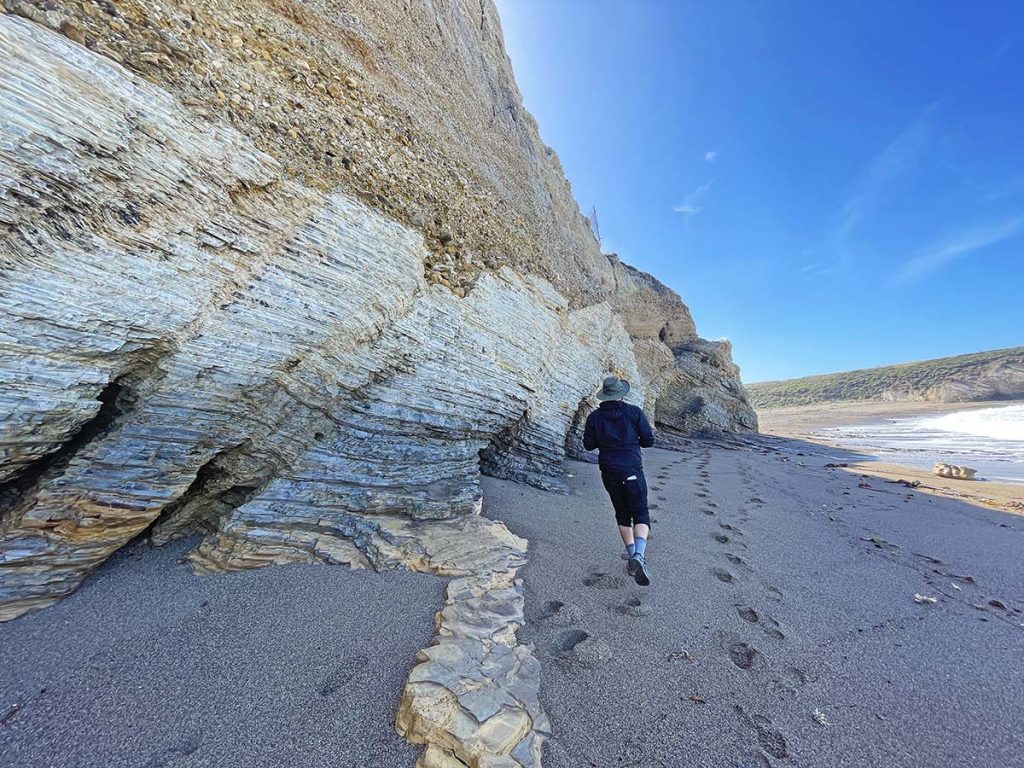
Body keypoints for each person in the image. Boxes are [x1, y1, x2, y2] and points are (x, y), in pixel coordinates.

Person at [583, 375, 655, 586]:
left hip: (609, 471)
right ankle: (638, 556)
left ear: (604, 395)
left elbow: (588, 445)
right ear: (621, 393)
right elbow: (649, 441)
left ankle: (633, 554)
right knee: (641, 513)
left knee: (622, 514)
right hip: (631, 468)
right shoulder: (633, 412)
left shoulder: (594, 417)